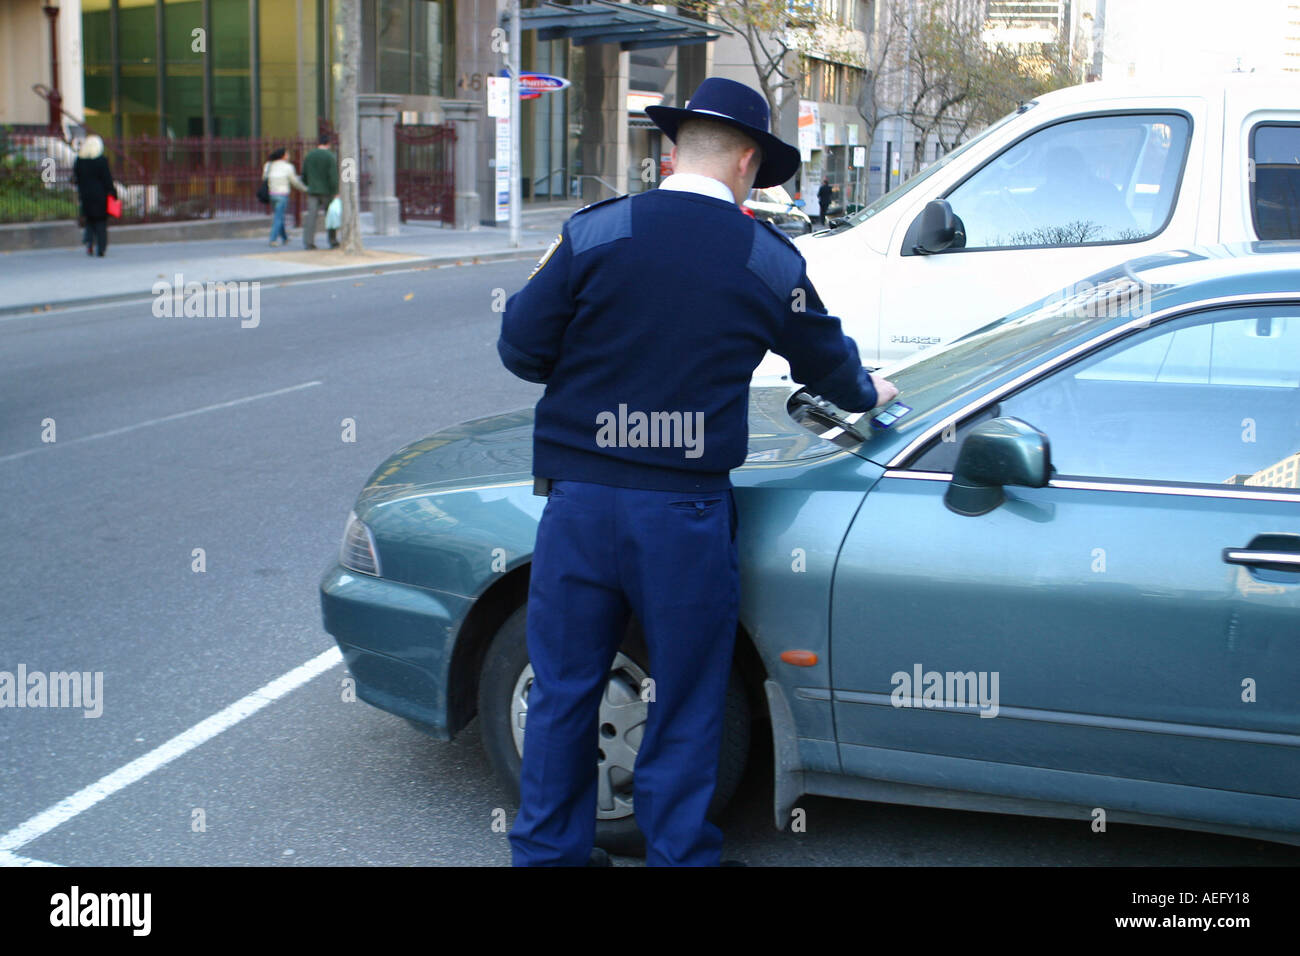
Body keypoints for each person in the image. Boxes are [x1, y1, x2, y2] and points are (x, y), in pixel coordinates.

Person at [498, 76, 898, 867]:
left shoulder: (595, 232)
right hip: (681, 514)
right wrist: (867, 389)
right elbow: (827, 364)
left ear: (673, 152)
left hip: (580, 503)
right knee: (684, 694)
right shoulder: (765, 257)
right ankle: (679, 855)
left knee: (564, 688)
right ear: (749, 163)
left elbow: (521, 349)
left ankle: (548, 856)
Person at [72, 134, 117, 257]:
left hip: (85, 195)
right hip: (100, 195)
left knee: (90, 220)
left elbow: (76, 178)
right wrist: (113, 193)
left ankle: (89, 243)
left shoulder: (79, 161)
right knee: (101, 222)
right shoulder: (101, 160)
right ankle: (101, 248)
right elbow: (107, 179)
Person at [301, 133, 339, 249]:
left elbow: (304, 174)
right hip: (327, 191)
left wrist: (309, 184)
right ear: (328, 144)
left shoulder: (309, 155)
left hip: (313, 190)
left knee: (311, 217)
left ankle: (309, 242)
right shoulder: (330, 156)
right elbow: (333, 176)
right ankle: (332, 240)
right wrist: (335, 191)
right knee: (331, 216)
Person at [263, 147, 306, 246]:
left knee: (279, 215)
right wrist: (305, 189)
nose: (288, 156)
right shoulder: (288, 167)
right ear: (283, 156)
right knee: (279, 217)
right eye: (287, 154)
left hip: (272, 194)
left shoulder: (268, 165)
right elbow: (294, 181)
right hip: (282, 195)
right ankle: (273, 239)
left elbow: (265, 178)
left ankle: (285, 238)